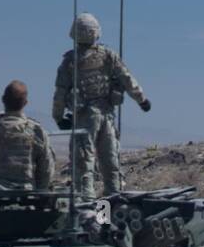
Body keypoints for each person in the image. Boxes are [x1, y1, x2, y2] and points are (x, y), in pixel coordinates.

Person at [52, 13, 150, 198]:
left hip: (83, 120)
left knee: (83, 169)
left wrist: (58, 118)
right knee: (111, 166)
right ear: (96, 33)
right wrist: (142, 100)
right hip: (107, 117)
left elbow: (60, 92)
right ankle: (108, 213)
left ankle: (86, 212)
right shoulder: (108, 56)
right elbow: (127, 80)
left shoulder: (69, 62)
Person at [0, 80, 55, 193]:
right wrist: (40, 191)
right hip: (25, 192)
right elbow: (46, 168)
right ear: (26, 103)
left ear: (2, 100)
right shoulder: (37, 131)